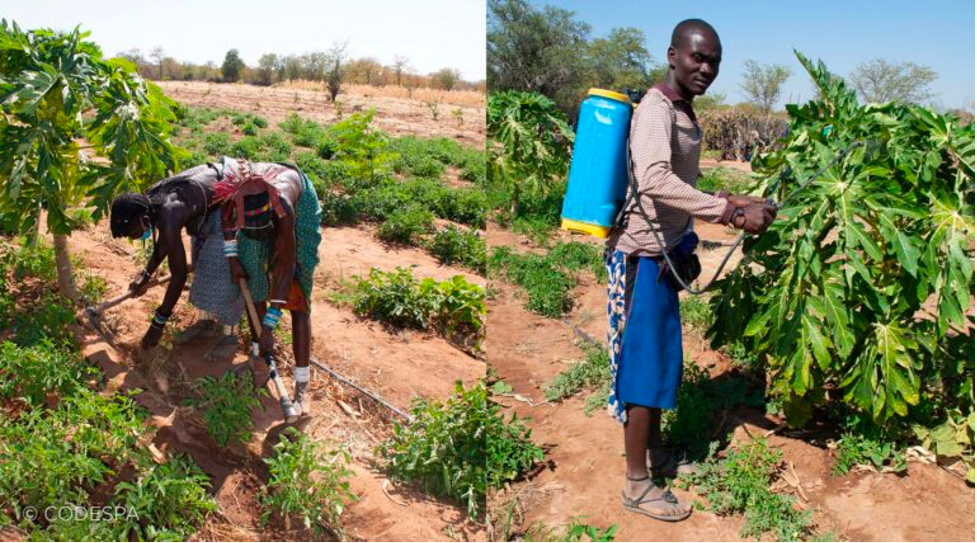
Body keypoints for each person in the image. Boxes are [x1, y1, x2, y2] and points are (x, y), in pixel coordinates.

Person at [605, 19, 777, 522]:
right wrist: (729, 214)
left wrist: (736, 198)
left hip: (665, 255)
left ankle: (656, 451)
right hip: (642, 255)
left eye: (714, 61)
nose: (706, 68)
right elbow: (655, 178)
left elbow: (683, 182)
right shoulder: (657, 109)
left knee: (659, 359)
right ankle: (637, 483)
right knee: (644, 368)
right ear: (672, 55)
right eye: (698, 57)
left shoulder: (682, 109)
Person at [215, 158, 322, 418]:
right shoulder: (233, 195)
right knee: (253, 281)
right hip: (256, 217)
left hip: (299, 208)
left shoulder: (283, 207)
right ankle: (260, 361)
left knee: (298, 295)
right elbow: (227, 226)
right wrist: (233, 260)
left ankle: (302, 384)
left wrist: (270, 324)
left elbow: (285, 269)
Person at [110, 164, 245, 357]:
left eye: (133, 232)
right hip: (206, 207)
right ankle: (206, 323)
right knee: (201, 263)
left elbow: (179, 275)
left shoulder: (169, 213)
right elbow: (166, 240)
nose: (135, 236)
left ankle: (229, 336)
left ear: (143, 217)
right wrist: (146, 275)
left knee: (221, 270)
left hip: (231, 199)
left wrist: (158, 323)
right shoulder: (149, 202)